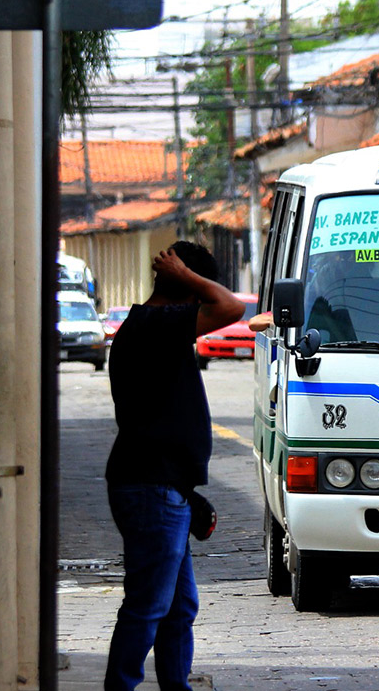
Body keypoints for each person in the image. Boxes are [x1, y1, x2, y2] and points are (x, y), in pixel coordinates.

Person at [104, 241, 271, 691]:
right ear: (185, 288)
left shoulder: (153, 326)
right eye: (196, 290)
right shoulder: (155, 323)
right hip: (150, 487)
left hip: (165, 485)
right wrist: (189, 277)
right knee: (148, 605)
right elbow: (231, 306)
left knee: (178, 608)